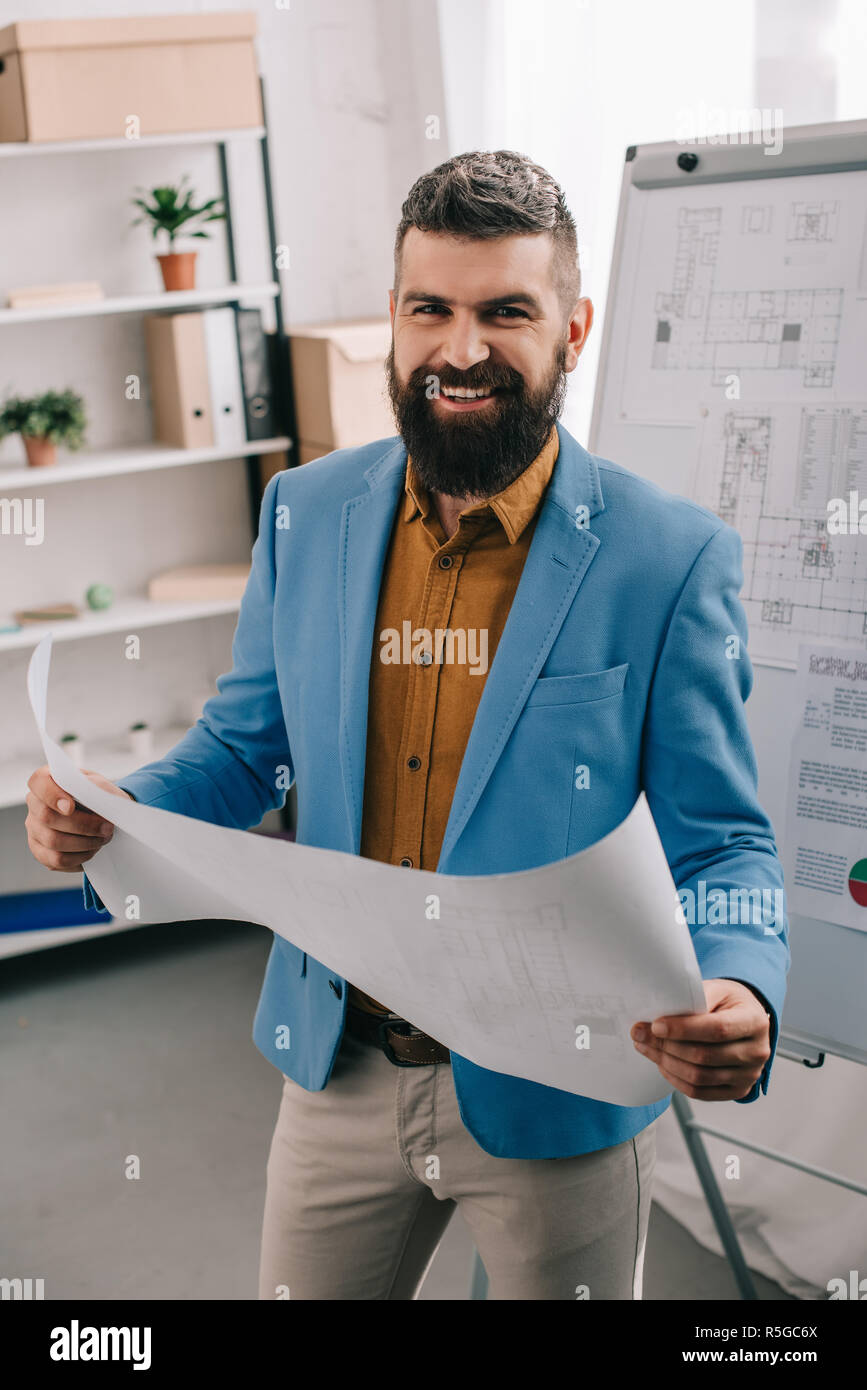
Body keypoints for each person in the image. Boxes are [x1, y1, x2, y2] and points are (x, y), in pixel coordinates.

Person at [26, 150, 789, 1301]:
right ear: (392, 317)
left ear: (573, 329)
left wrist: (744, 988)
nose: (461, 349)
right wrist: (123, 816)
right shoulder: (305, 512)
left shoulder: (669, 561)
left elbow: (723, 840)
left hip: (555, 1095)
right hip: (336, 1071)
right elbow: (246, 749)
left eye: (505, 312)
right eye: (430, 308)